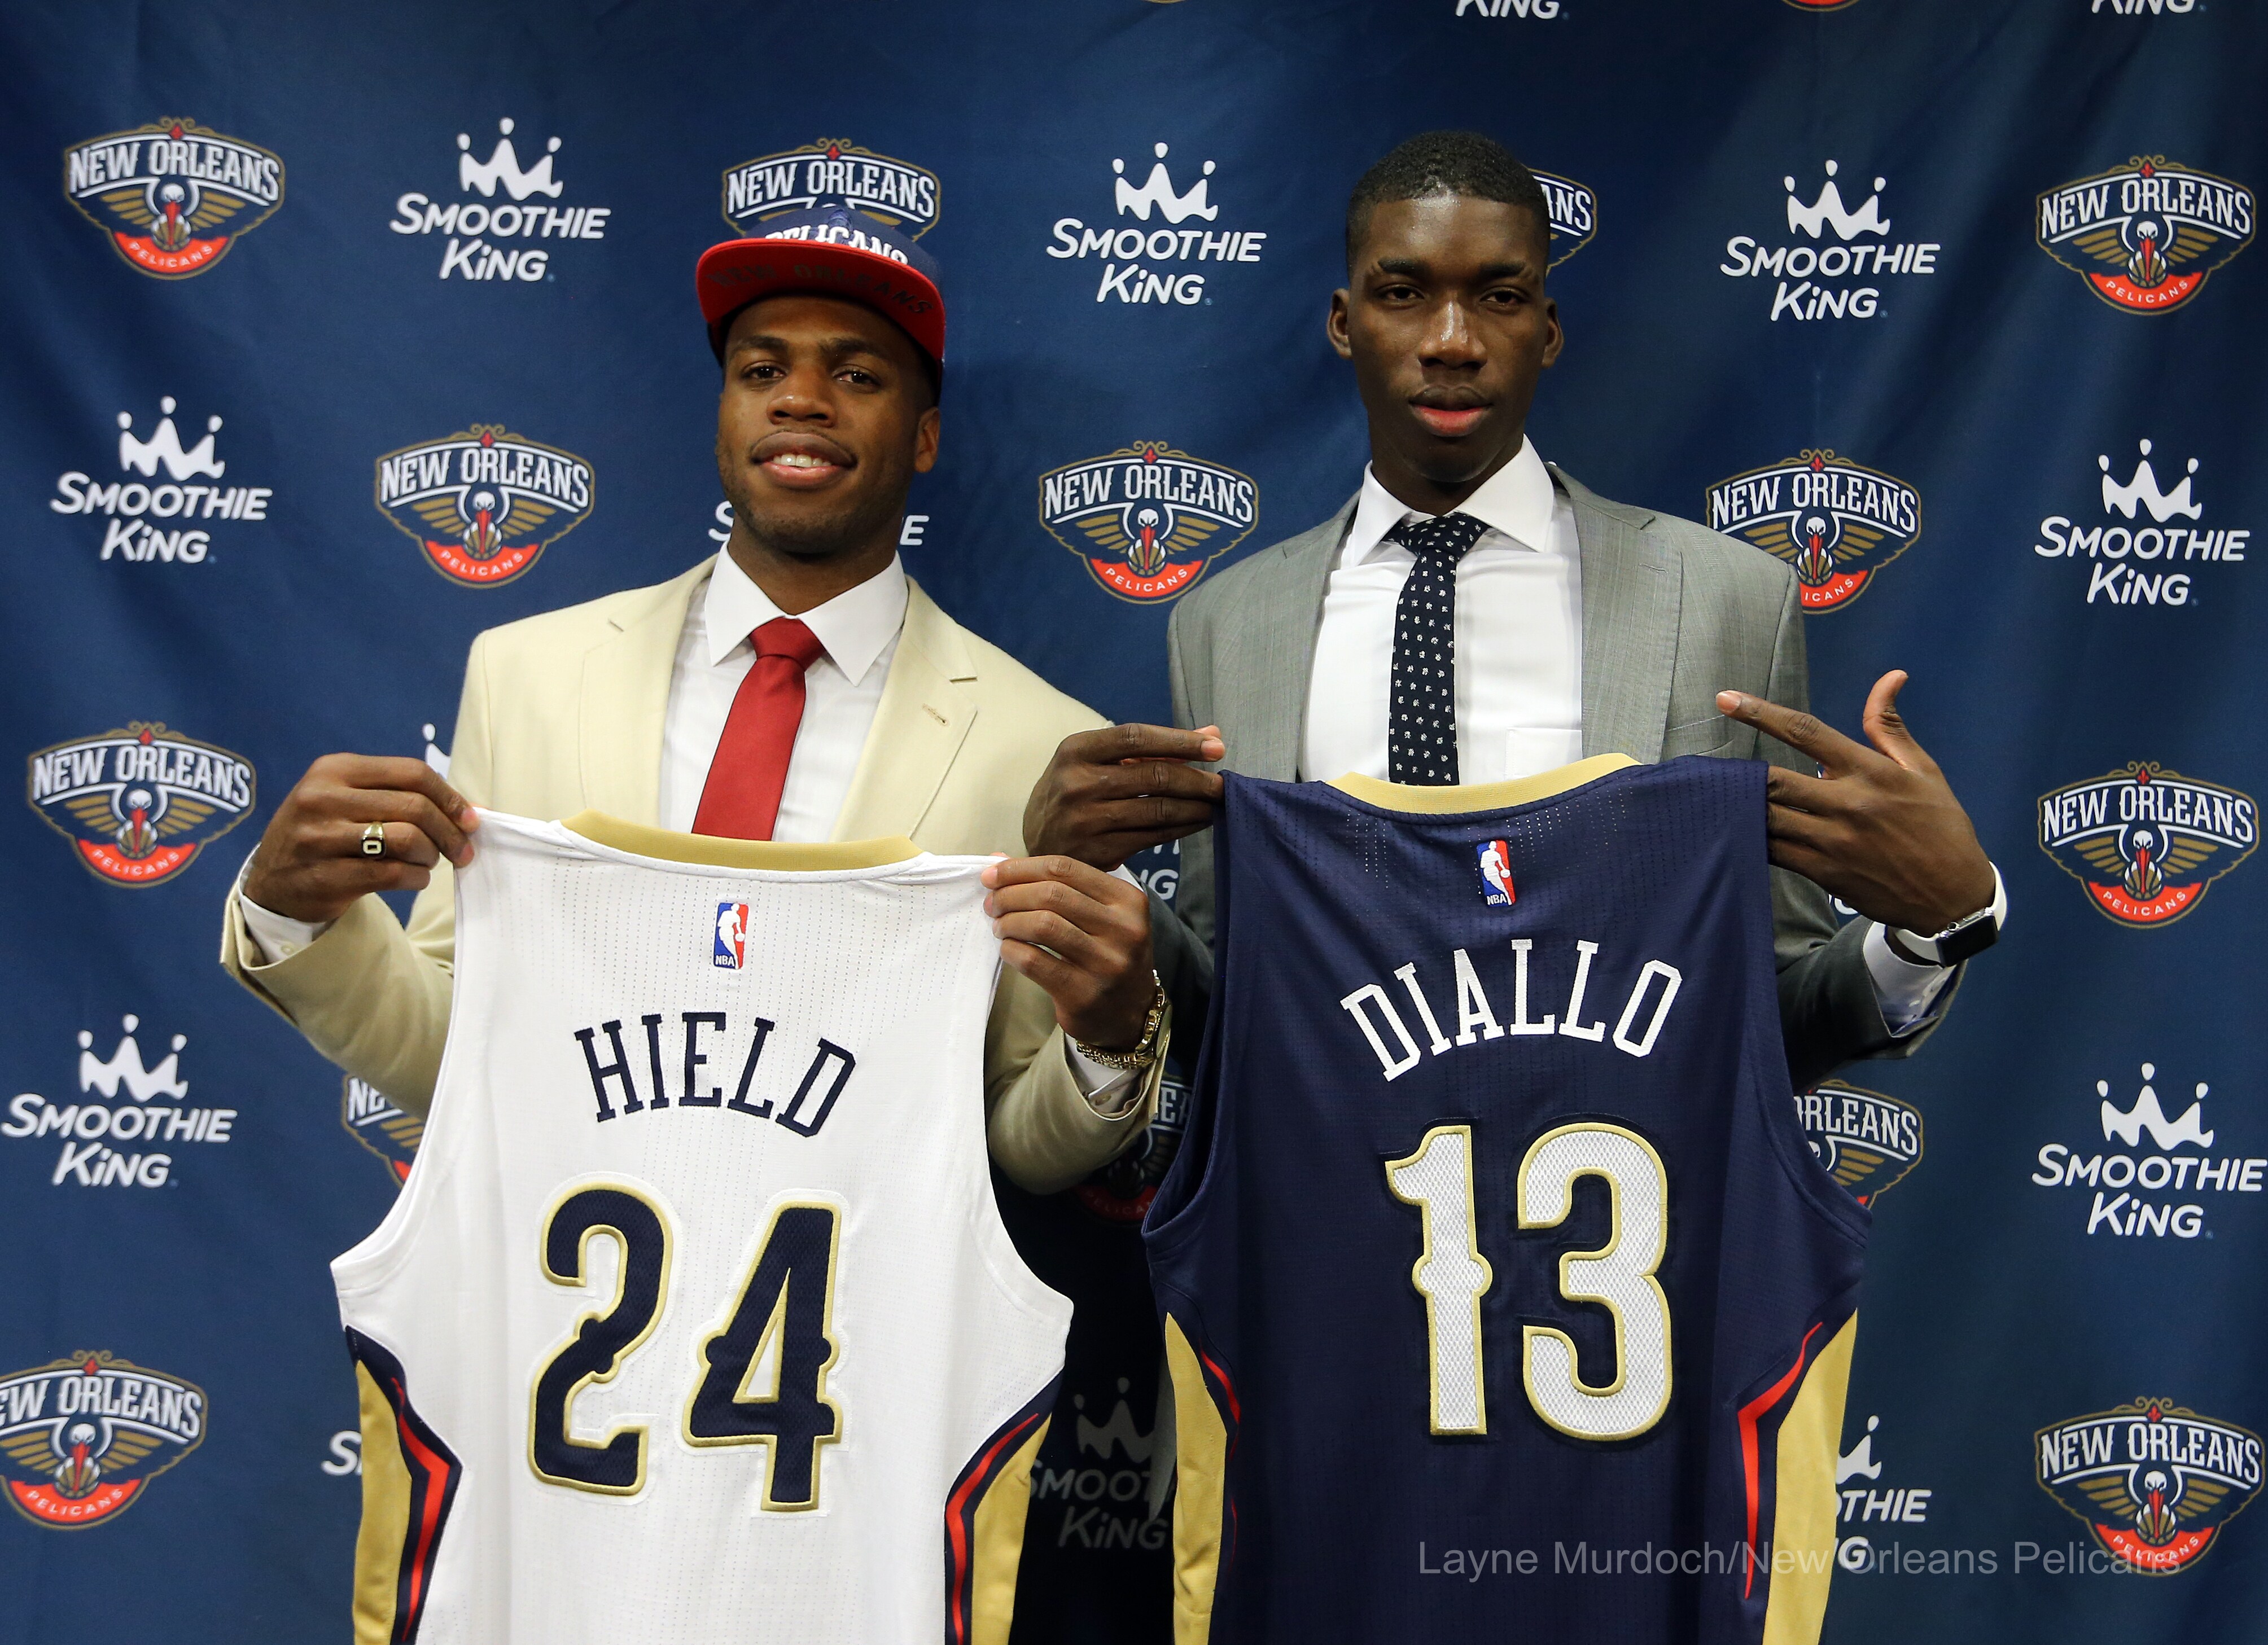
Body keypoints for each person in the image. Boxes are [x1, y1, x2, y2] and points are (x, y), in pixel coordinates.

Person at [1024, 131, 2004, 1090]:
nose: (1452, 342)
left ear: (1545, 328)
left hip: (1625, 1214)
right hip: (1324, 1209)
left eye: (1497, 297)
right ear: (1343, 320)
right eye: (1403, 294)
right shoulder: (1228, 620)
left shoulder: (1725, 595)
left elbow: (1780, 1012)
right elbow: (1222, 1007)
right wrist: (1092, 893)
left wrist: (1935, 925)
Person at [220, 208, 1169, 1190]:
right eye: (761, 371)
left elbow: (1009, 1138)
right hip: (559, 1289)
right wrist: (295, 920)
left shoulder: (1037, 741)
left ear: (924, 438)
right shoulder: (528, 674)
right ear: (722, 412)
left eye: (856, 375)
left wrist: (1107, 1041)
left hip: (854, 1315)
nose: (801, 399)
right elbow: (454, 1048)